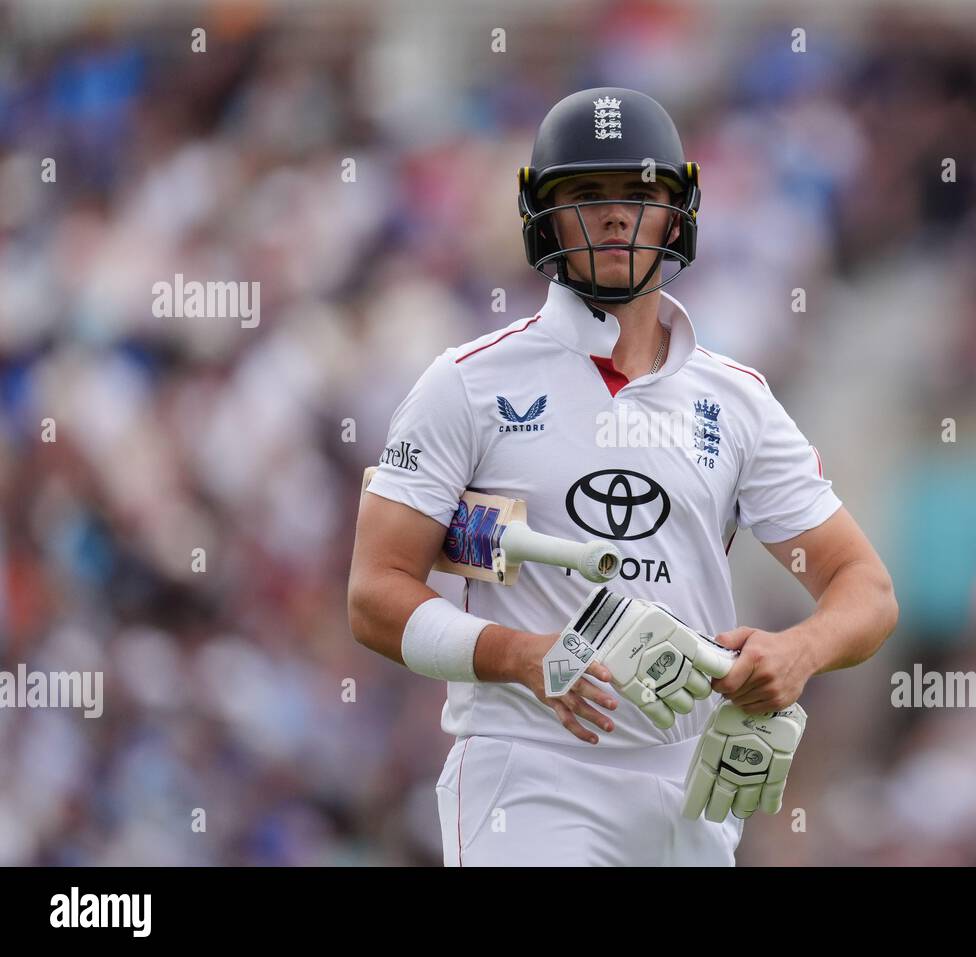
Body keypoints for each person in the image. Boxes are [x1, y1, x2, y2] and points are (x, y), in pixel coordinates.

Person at [347, 87, 899, 866]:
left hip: (691, 787)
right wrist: (522, 656)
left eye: (640, 193)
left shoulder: (736, 399)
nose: (614, 216)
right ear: (541, 213)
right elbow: (374, 595)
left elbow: (866, 590)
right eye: (584, 195)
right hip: (530, 766)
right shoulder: (465, 383)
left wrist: (801, 651)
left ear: (678, 212)